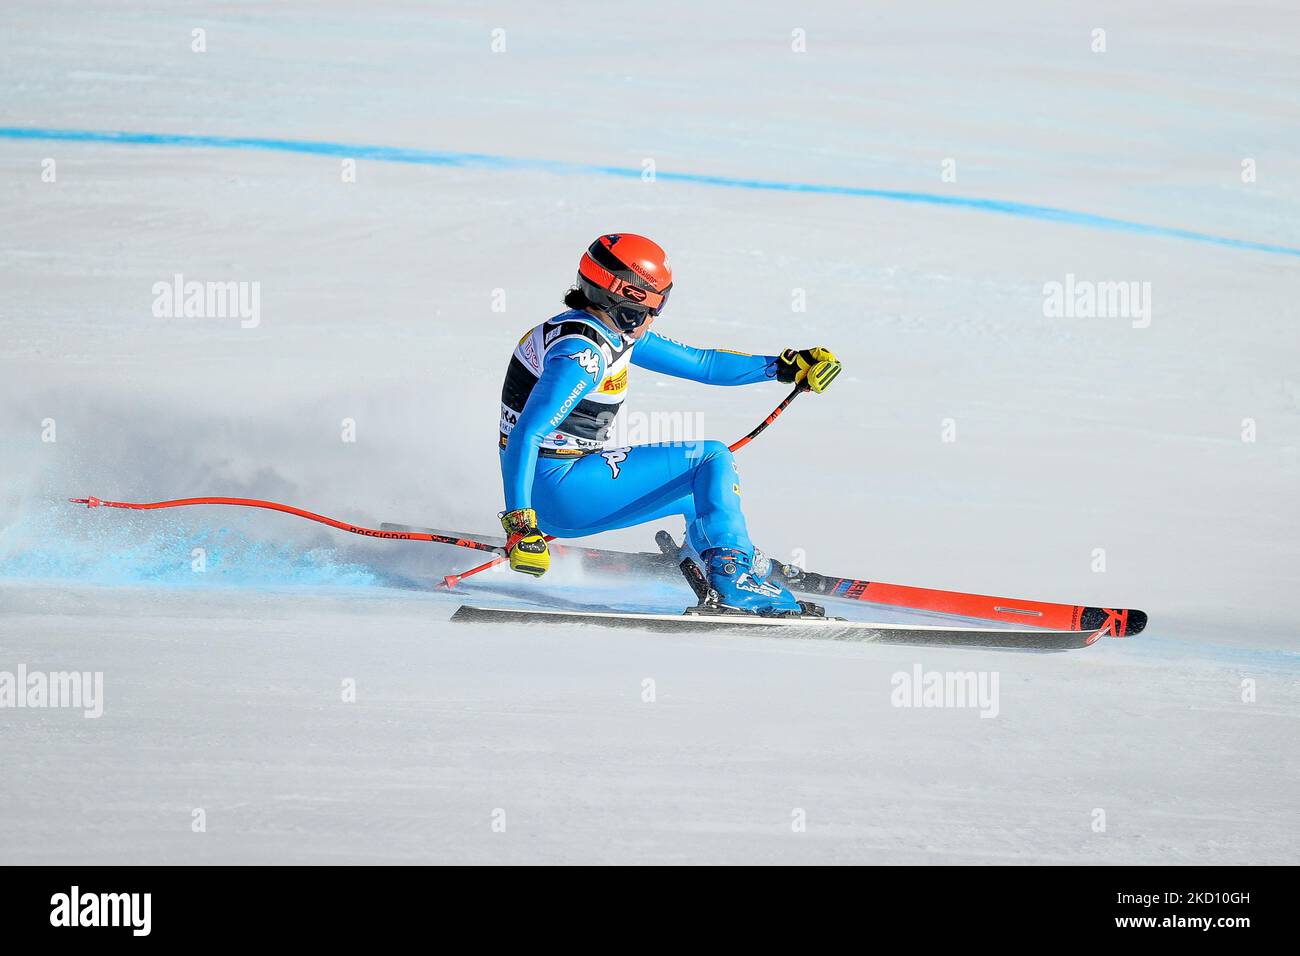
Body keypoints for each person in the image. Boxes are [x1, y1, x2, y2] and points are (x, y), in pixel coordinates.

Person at [496, 233, 841, 615]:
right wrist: (520, 526)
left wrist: (782, 366)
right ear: (624, 304)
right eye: (651, 309)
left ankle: (725, 555)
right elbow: (528, 434)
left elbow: (703, 364)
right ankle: (732, 576)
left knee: (705, 488)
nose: (654, 318)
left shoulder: (602, 330)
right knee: (710, 458)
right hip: (559, 492)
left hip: (561, 484)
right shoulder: (583, 354)